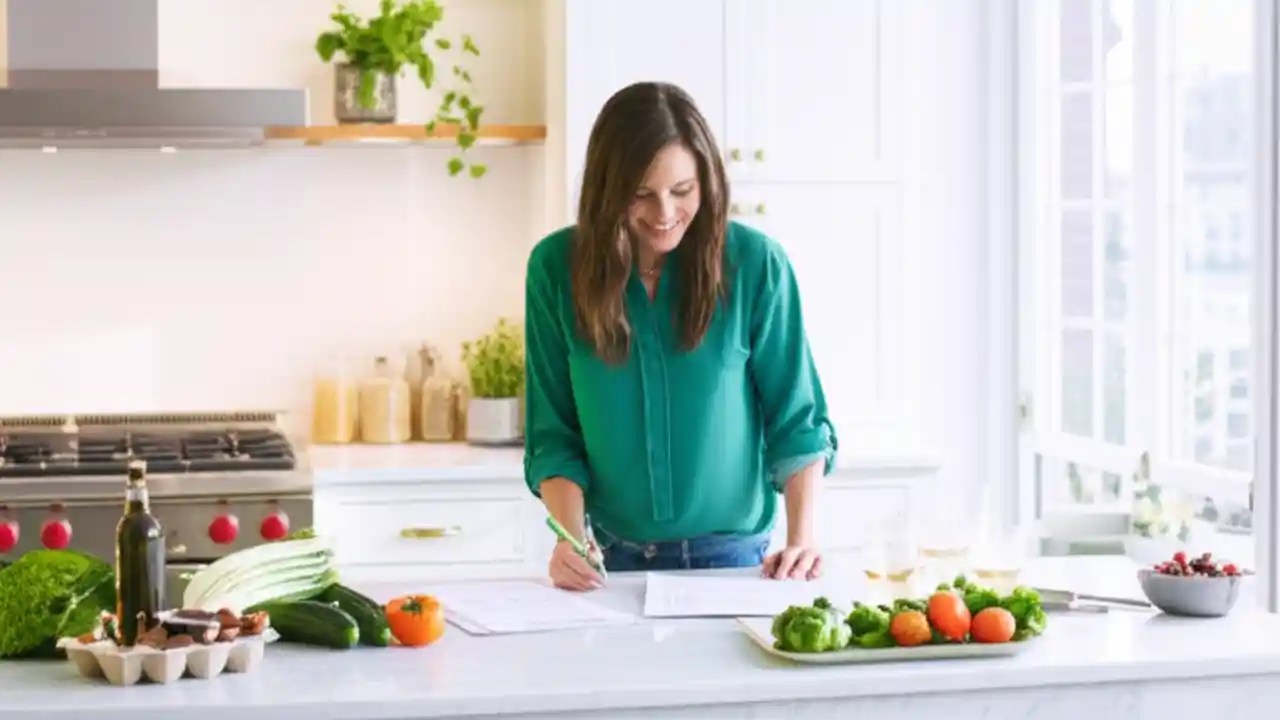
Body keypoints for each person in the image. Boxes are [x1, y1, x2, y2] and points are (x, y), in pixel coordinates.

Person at [522, 81, 837, 591]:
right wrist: (569, 539)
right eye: (641, 194)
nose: (665, 214)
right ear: (607, 190)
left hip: (736, 562)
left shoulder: (756, 265)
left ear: (706, 183)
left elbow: (796, 421)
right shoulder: (556, 269)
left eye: (682, 191)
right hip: (610, 564)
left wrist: (802, 538)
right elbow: (553, 435)